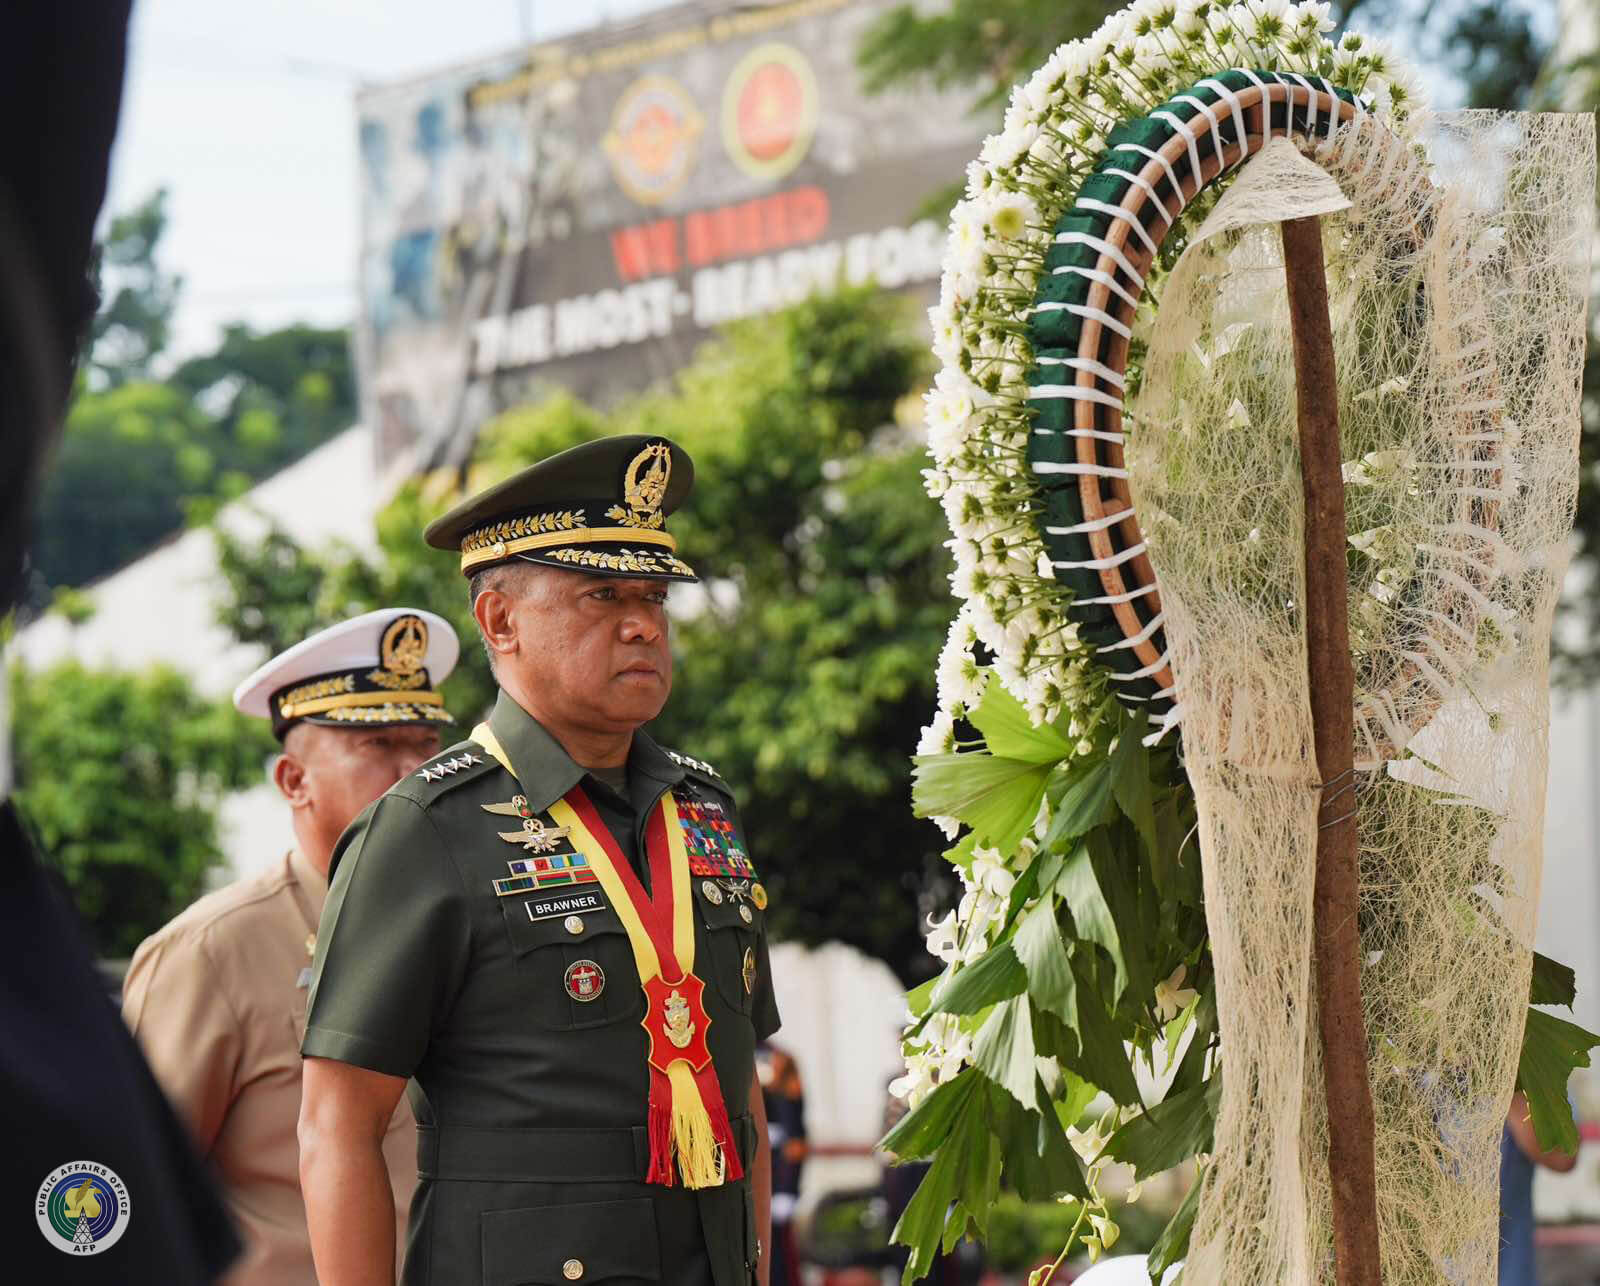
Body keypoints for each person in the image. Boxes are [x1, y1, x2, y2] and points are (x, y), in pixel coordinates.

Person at [298, 434, 780, 1286]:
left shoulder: (704, 808)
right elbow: (338, 1124)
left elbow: (736, 1094)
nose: (644, 624)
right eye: (602, 593)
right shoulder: (423, 828)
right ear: (500, 621)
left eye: (654, 596)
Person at [122, 608, 460, 1284]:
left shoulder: (464, 923)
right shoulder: (211, 951)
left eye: (427, 744)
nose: (415, 770)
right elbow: (133, 1193)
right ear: (293, 781)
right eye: (378, 744)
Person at [1499, 1089, 1579, 1284]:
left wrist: (1512, 1093)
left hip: (1508, 1270)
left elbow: (1565, 1155)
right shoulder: (1427, 1080)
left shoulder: (1528, 1078)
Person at [757, 1043, 808, 1286]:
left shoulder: (780, 1059)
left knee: (778, 1253)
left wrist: (788, 1188)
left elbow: (795, 1137)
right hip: (747, 1173)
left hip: (776, 1172)